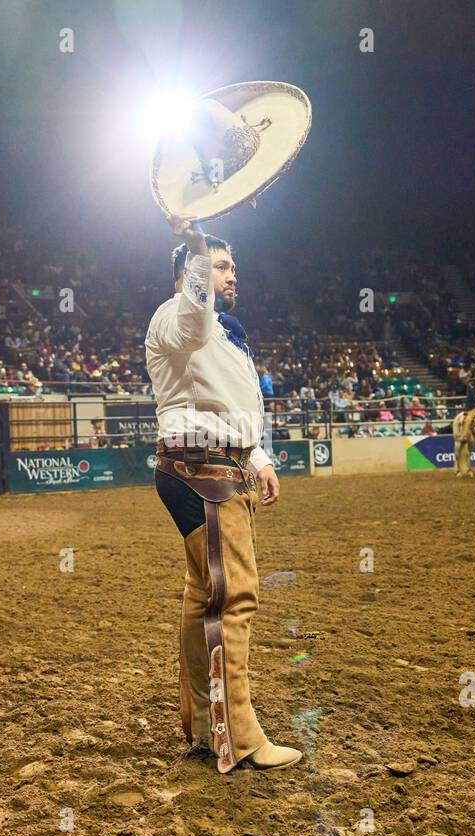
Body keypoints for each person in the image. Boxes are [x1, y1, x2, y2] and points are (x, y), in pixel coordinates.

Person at [145, 216, 300, 773]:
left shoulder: (227, 330)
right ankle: (238, 734)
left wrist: (258, 457)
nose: (232, 274)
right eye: (221, 265)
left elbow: (231, 405)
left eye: (231, 265)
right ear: (189, 273)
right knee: (234, 597)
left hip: (215, 464)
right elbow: (193, 321)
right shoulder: (178, 315)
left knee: (204, 596)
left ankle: (205, 723)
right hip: (202, 471)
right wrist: (194, 248)